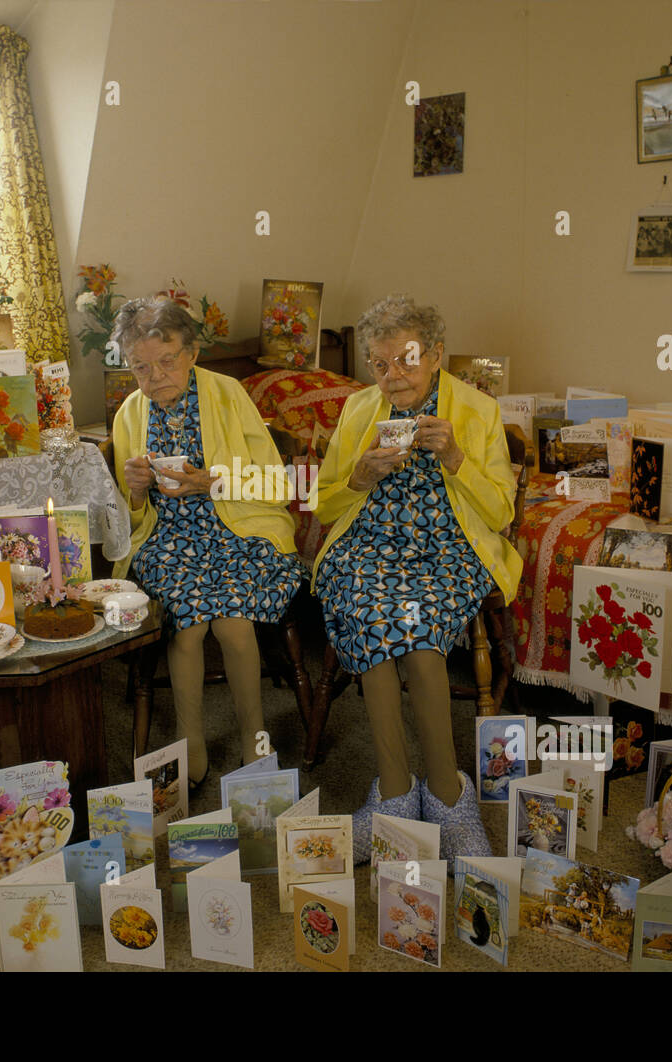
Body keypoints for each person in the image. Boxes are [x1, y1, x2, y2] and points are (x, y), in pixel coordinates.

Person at [310, 293, 522, 866]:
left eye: (404, 359)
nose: (392, 375)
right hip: (369, 546)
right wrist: (359, 476)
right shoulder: (359, 411)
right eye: (379, 364)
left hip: (448, 550)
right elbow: (324, 505)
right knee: (374, 622)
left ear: (435, 355)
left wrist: (455, 456)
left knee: (421, 641)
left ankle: (450, 802)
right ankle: (396, 796)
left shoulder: (478, 411)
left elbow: (501, 514)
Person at [110, 296, 307, 787]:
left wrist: (211, 482)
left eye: (166, 360)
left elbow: (277, 484)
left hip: (241, 529)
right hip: (169, 539)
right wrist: (134, 491)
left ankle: (253, 737)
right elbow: (129, 517)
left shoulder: (228, 394)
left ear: (191, 353)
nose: (155, 376)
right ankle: (189, 741)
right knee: (189, 628)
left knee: (235, 626)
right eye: (140, 367)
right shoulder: (129, 414)